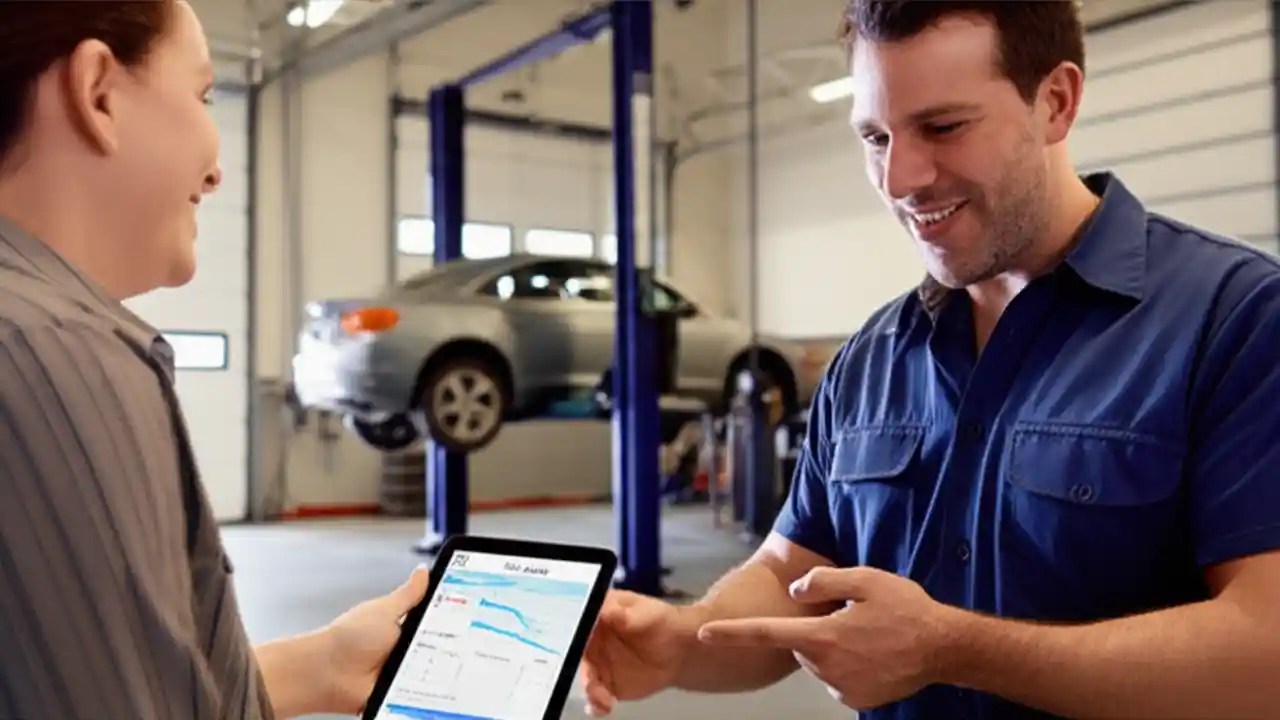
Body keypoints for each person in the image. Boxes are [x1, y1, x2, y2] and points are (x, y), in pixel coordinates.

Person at [579, 1, 1280, 718]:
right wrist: (685, 639)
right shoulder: (871, 359)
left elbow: (1267, 653)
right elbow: (794, 571)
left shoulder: (1237, 321)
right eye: (875, 137)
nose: (901, 179)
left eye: (943, 127)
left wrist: (954, 648)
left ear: (1057, 103)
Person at [0, 3, 427, 718]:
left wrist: (321, 665)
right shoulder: (57, 352)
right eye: (203, 97)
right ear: (98, 91)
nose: (218, 170)